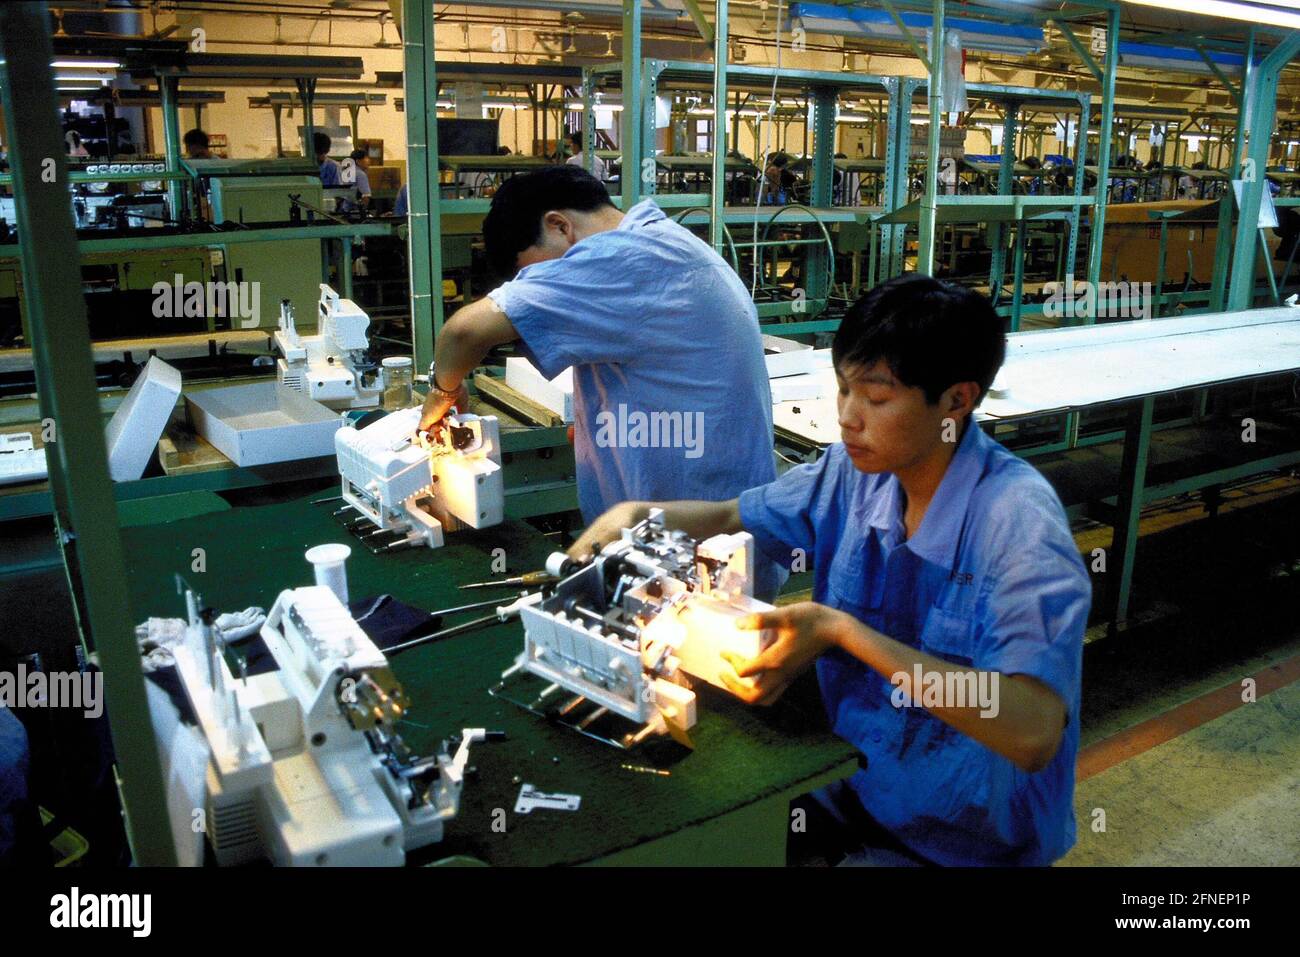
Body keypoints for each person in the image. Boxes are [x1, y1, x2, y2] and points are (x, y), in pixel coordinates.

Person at [572, 275, 1091, 866]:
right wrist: (638, 514)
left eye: (875, 398)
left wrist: (843, 633)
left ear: (955, 401)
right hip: (850, 788)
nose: (847, 417)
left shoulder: (1018, 525)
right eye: (843, 390)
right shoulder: (851, 472)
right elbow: (726, 513)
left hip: (961, 840)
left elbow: (1031, 728)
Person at [418, 164, 783, 598]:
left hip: (692, 562)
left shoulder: (618, 257)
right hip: (714, 536)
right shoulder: (665, 242)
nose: (542, 285)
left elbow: (464, 332)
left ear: (560, 226)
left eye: (538, 272)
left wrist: (443, 394)